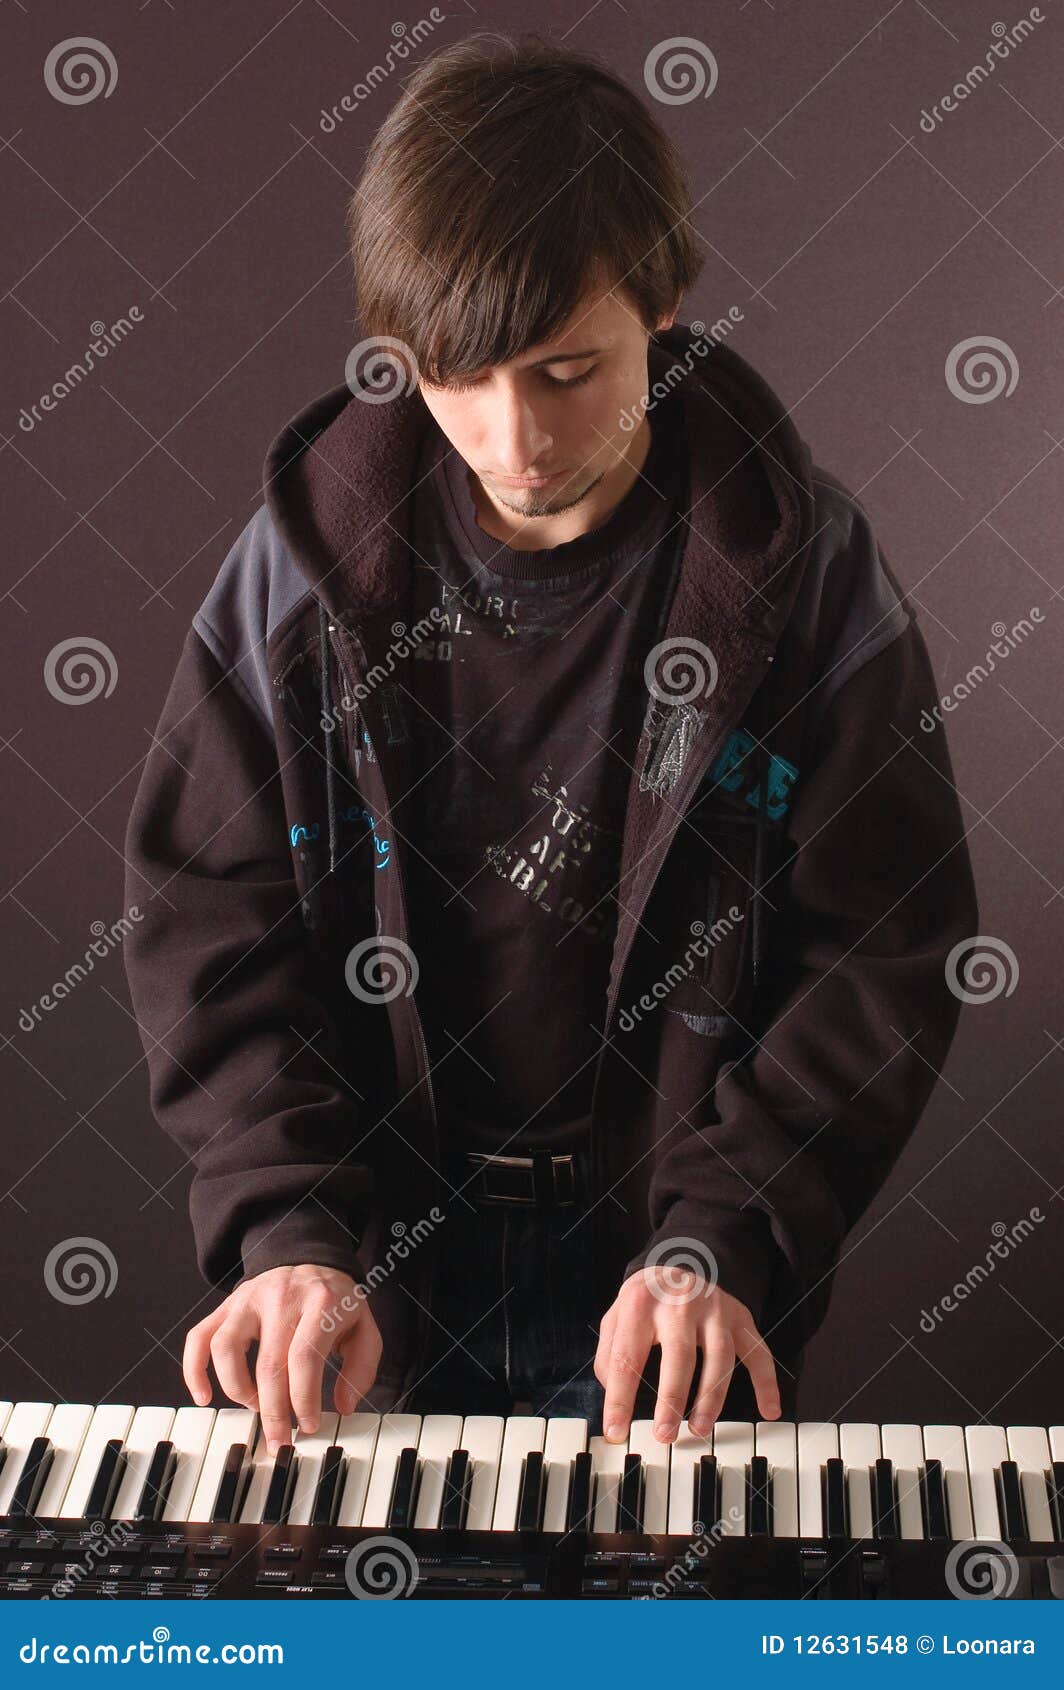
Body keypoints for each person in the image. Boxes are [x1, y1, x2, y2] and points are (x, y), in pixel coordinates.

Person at [123, 31, 979, 1463]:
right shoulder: (298, 573)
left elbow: (884, 946)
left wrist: (726, 1234)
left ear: (662, 299)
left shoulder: (808, 568)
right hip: (365, 1278)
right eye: (453, 378)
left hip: (671, 1295)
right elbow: (209, 922)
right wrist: (286, 1223)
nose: (513, 440)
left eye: (569, 369)